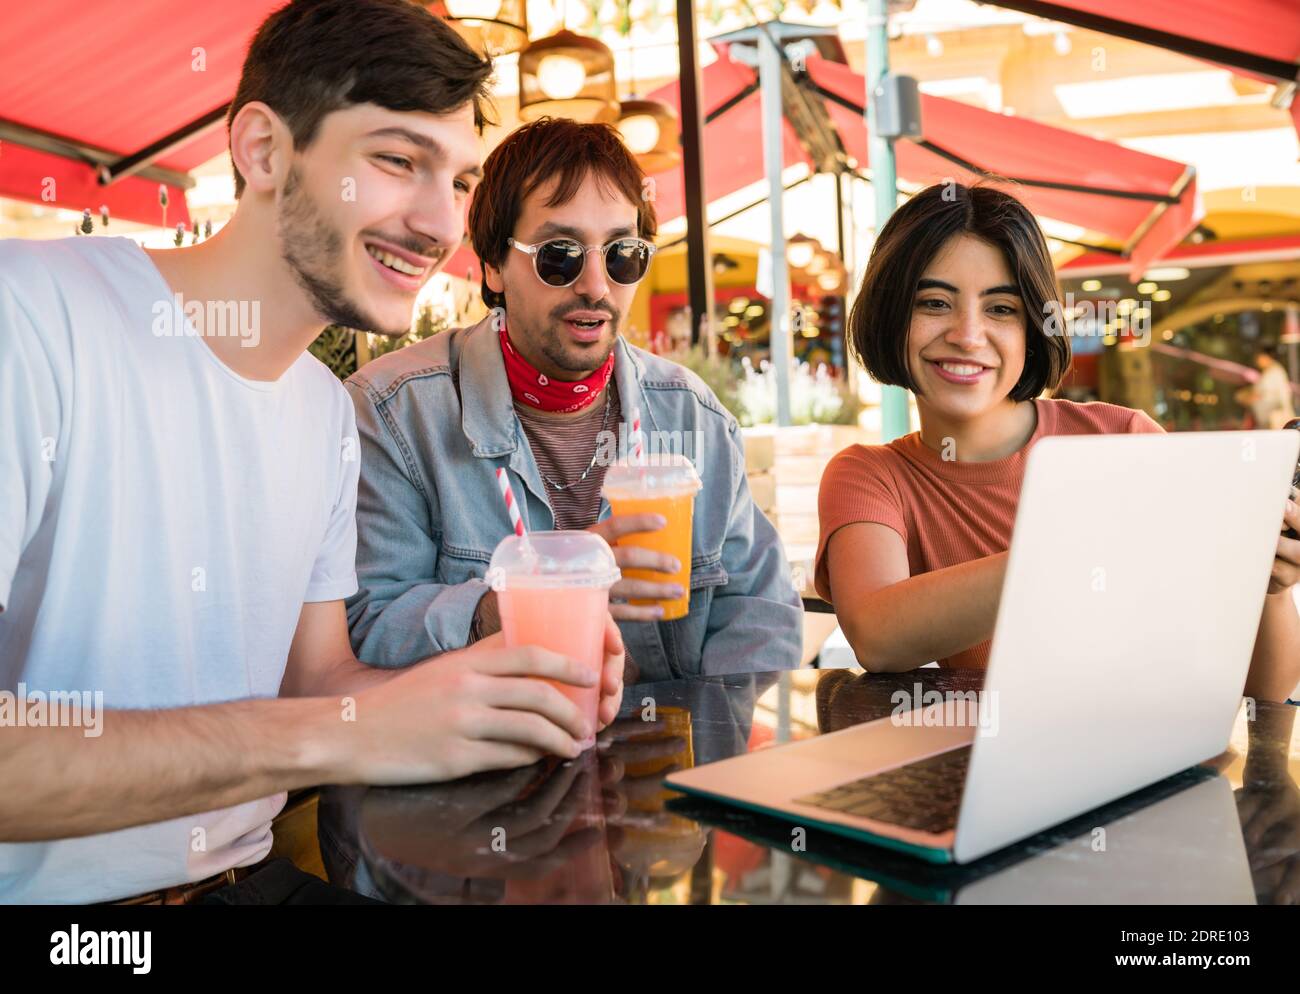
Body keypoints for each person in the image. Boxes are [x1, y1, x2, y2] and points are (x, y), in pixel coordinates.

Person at [0, 0, 622, 904]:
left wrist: (488, 686)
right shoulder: (32, 317)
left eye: (457, 182)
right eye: (397, 160)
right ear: (262, 151)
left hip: (243, 882)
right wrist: (333, 736)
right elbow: (328, 722)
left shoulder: (324, 411)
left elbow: (321, 679)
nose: (439, 224)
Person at [344, 117, 802, 682]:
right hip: (484, 761)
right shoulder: (395, 414)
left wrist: (706, 743)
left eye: (621, 254)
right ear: (492, 265)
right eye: (559, 255)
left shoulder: (692, 416)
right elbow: (366, 625)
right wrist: (525, 601)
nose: (595, 285)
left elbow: (762, 615)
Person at [816, 182, 1300, 701]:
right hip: (996, 768)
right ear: (891, 316)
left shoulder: (1123, 438)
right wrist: (1092, 539)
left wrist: (1264, 584)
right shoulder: (869, 475)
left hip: (1161, 754)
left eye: (1002, 308)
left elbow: (1266, 696)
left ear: (1033, 328)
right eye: (934, 302)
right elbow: (879, 636)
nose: (968, 334)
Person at [1236, 345, 1297, 430]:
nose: (1257, 360)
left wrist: (1246, 397)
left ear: (1266, 357)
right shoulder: (1269, 372)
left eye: (1259, 357)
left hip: (1275, 421)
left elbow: (1261, 395)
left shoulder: (1275, 373)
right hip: (1268, 421)